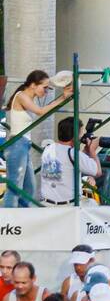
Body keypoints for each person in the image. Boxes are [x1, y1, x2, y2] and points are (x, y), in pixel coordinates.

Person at [4, 70, 67, 208]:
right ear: (33, 85)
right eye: (45, 87)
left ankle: (21, 216)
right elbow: (40, 111)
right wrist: (63, 97)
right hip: (17, 143)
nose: (46, 91)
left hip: (23, 144)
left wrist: (63, 95)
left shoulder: (27, 98)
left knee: (29, 188)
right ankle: (6, 218)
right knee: (14, 186)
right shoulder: (22, 96)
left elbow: (41, 110)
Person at [39, 116, 100, 206]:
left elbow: (67, 162)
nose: (81, 138)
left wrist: (84, 151)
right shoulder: (73, 154)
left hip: (46, 204)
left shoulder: (48, 148)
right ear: (74, 137)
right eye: (80, 135)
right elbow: (98, 172)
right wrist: (92, 151)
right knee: (93, 203)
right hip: (68, 206)